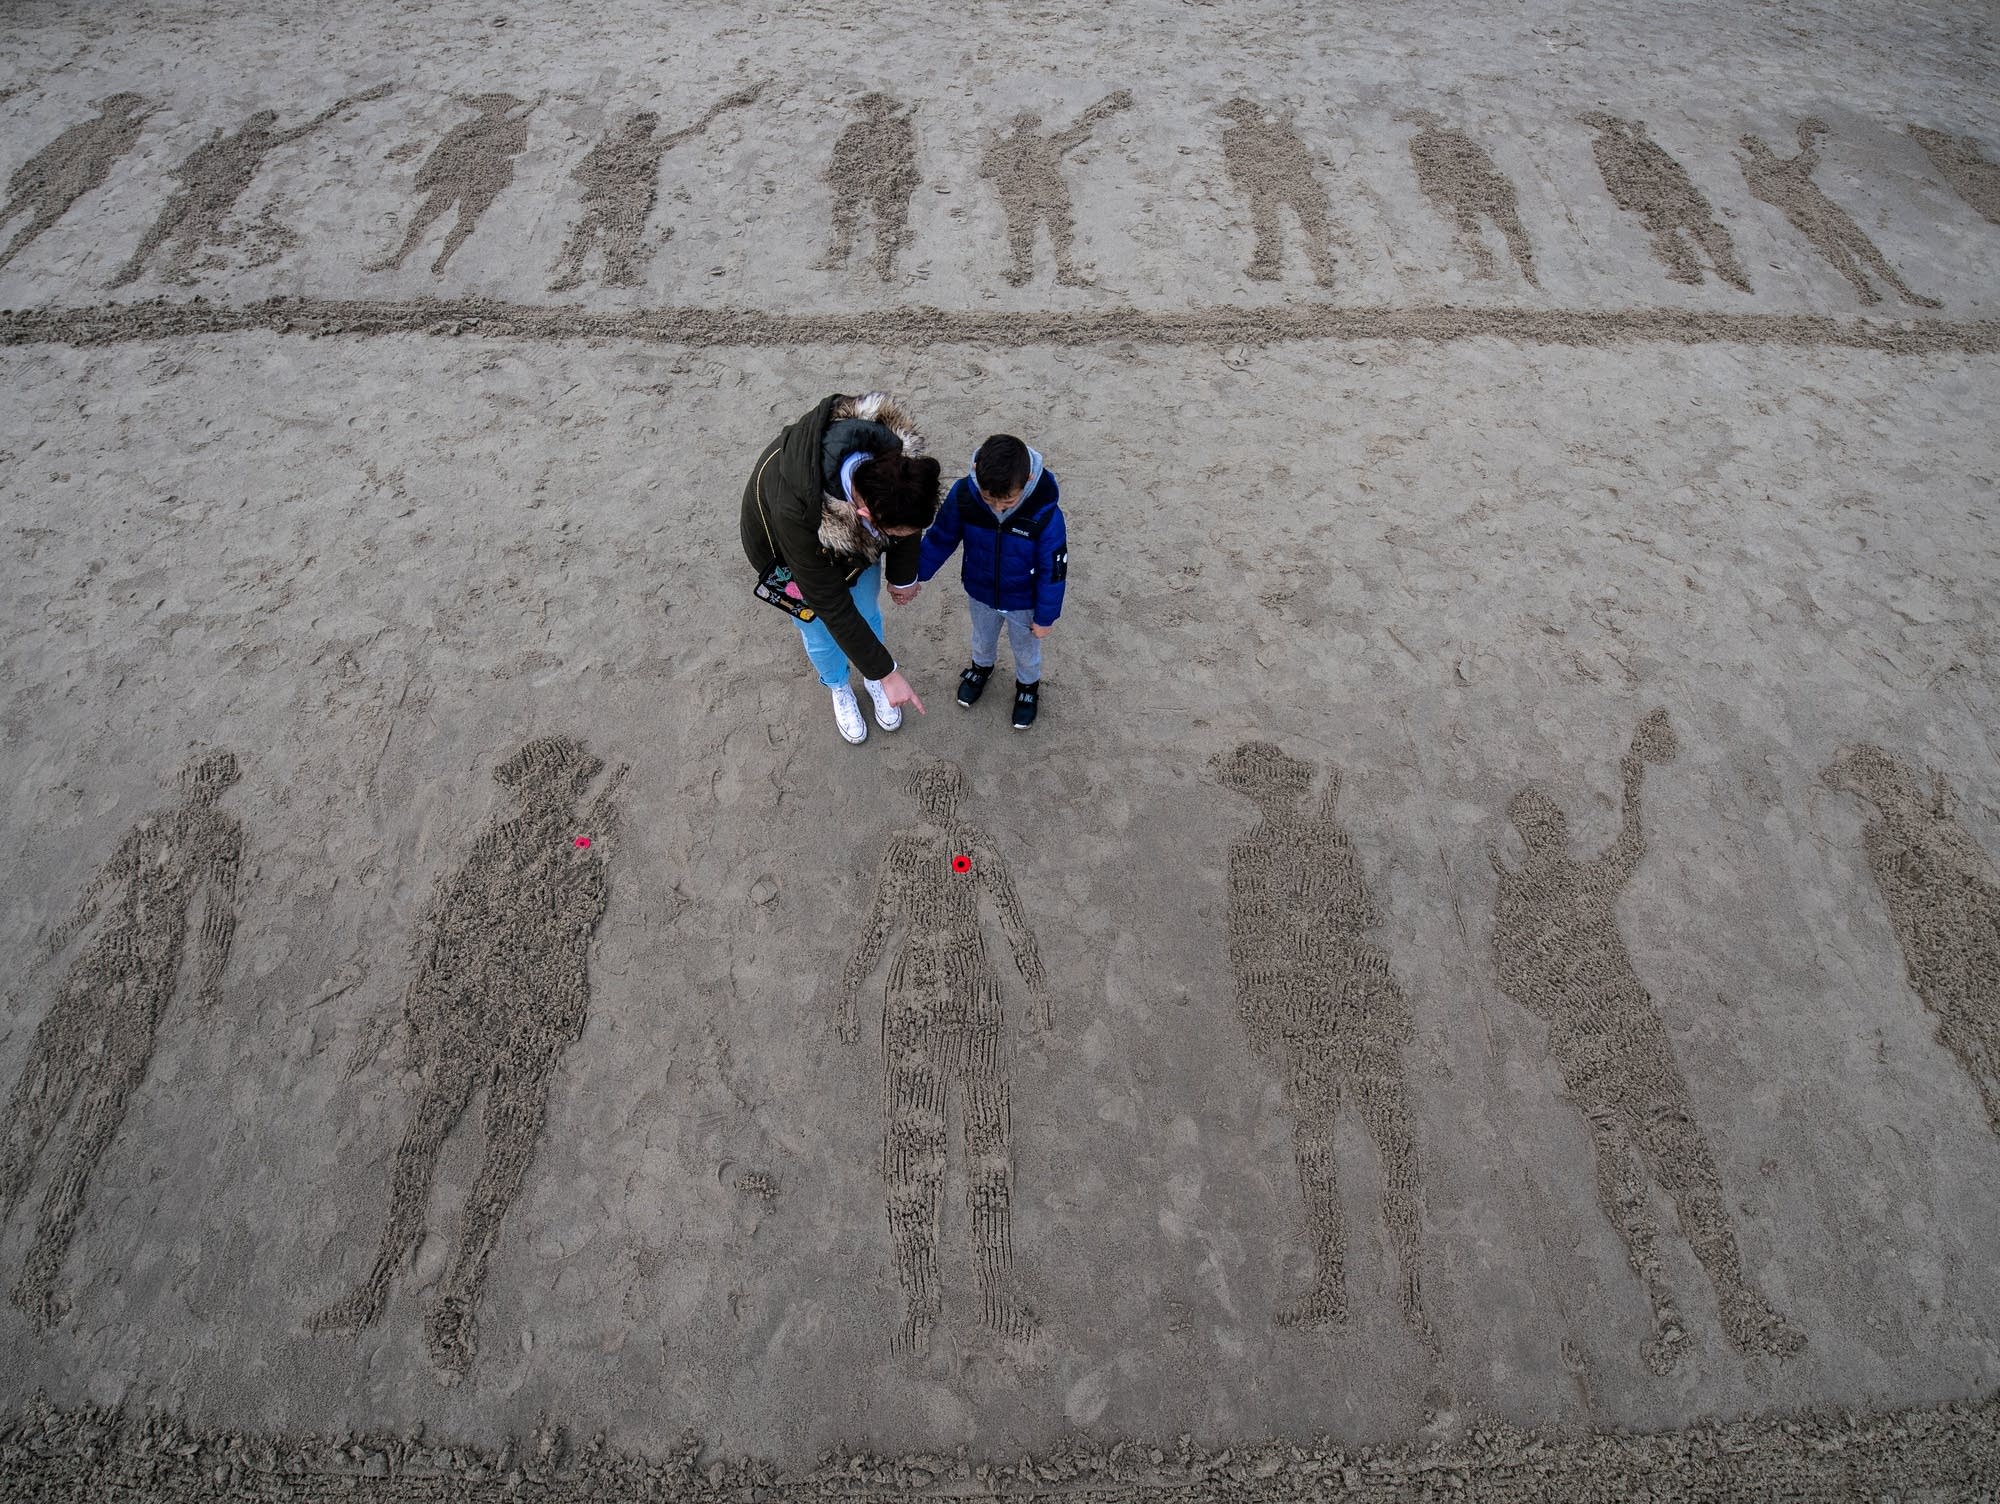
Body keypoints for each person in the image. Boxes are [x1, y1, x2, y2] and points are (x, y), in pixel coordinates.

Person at [742, 392, 940, 743]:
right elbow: (830, 603)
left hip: (850, 542)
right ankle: (838, 685)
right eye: (890, 534)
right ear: (865, 516)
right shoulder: (794, 507)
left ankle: (870, 676)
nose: (901, 537)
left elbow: (908, 519)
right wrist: (889, 672)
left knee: (866, 610)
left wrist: (901, 577)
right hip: (790, 551)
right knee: (819, 629)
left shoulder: (898, 461)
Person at [906, 434, 1067, 730]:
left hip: (1024, 601)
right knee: (982, 636)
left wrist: (1046, 617)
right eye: (988, 498)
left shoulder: (1045, 512)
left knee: (1026, 648)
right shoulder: (965, 495)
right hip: (980, 590)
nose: (998, 507)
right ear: (977, 469)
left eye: (1007, 500)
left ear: (1028, 479)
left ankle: (1028, 687)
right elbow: (941, 537)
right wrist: (914, 576)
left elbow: (1054, 571)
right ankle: (981, 668)